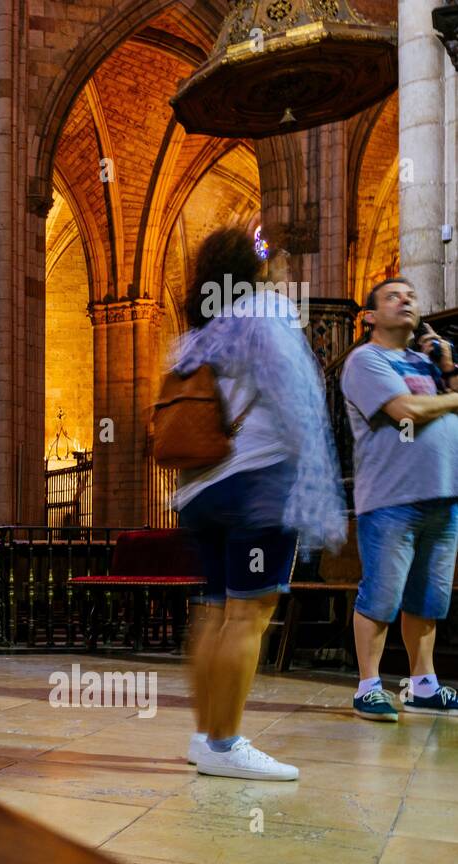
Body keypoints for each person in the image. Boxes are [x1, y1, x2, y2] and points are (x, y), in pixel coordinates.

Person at [172, 228, 347, 781]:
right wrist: (319, 490)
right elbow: (301, 402)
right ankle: (225, 745)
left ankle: (206, 735)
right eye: (269, 258)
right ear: (252, 270)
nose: (279, 265)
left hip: (202, 490)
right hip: (256, 484)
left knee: (214, 611)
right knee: (249, 614)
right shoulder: (266, 313)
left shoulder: (199, 332)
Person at [340, 277, 458, 719]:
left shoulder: (425, 363)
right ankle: (368, 686)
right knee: (381, 596)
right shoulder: (365, 360)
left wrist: (447, 367)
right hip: (391, 497)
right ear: (370, 316)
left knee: (428, 598)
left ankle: (422, 685)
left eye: (411, 295)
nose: (406, 300)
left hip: (443, 493)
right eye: (393, 296)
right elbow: (405, 410)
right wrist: (452, 399)